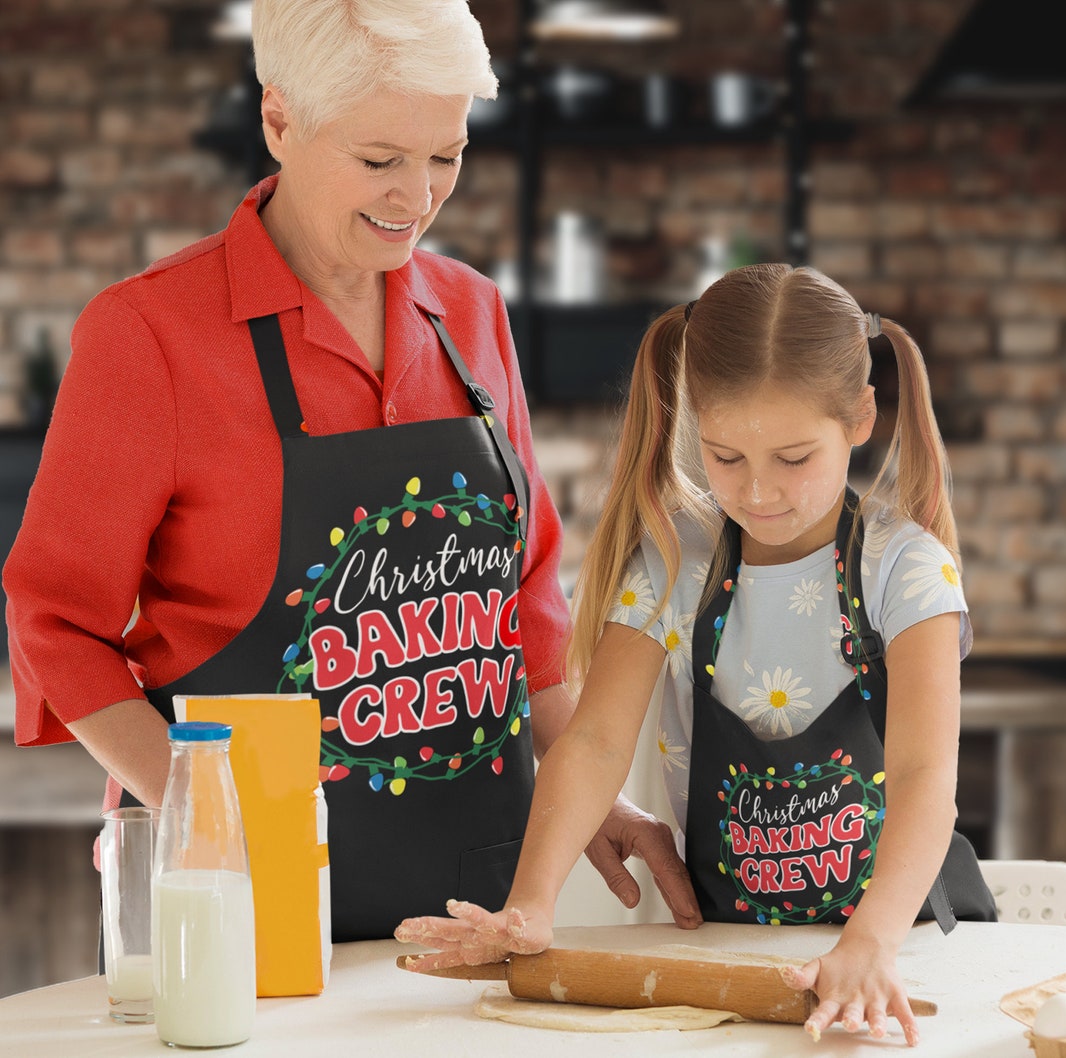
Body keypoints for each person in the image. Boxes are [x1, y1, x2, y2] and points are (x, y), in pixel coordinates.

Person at [2, 0, 698, 942]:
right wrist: (202, 814)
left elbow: (525, 601)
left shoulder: (471, 314)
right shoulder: (150, 336)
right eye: (379, 161)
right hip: (242, 894)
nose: (418, 195)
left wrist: (591, 796)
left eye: (446, 155)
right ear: (278, 120)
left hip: (472, 900)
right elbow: (55, 622)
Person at [395, 264, 996, 1044]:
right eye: (725, 457)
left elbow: (924, 777)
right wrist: (531, 904)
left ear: (860, 417)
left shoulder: (904, 572)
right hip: (735, 955)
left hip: (904, 951)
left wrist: (871, 943)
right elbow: (595, 741)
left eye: (793, 458)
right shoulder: (677, 561)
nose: (758, 493)